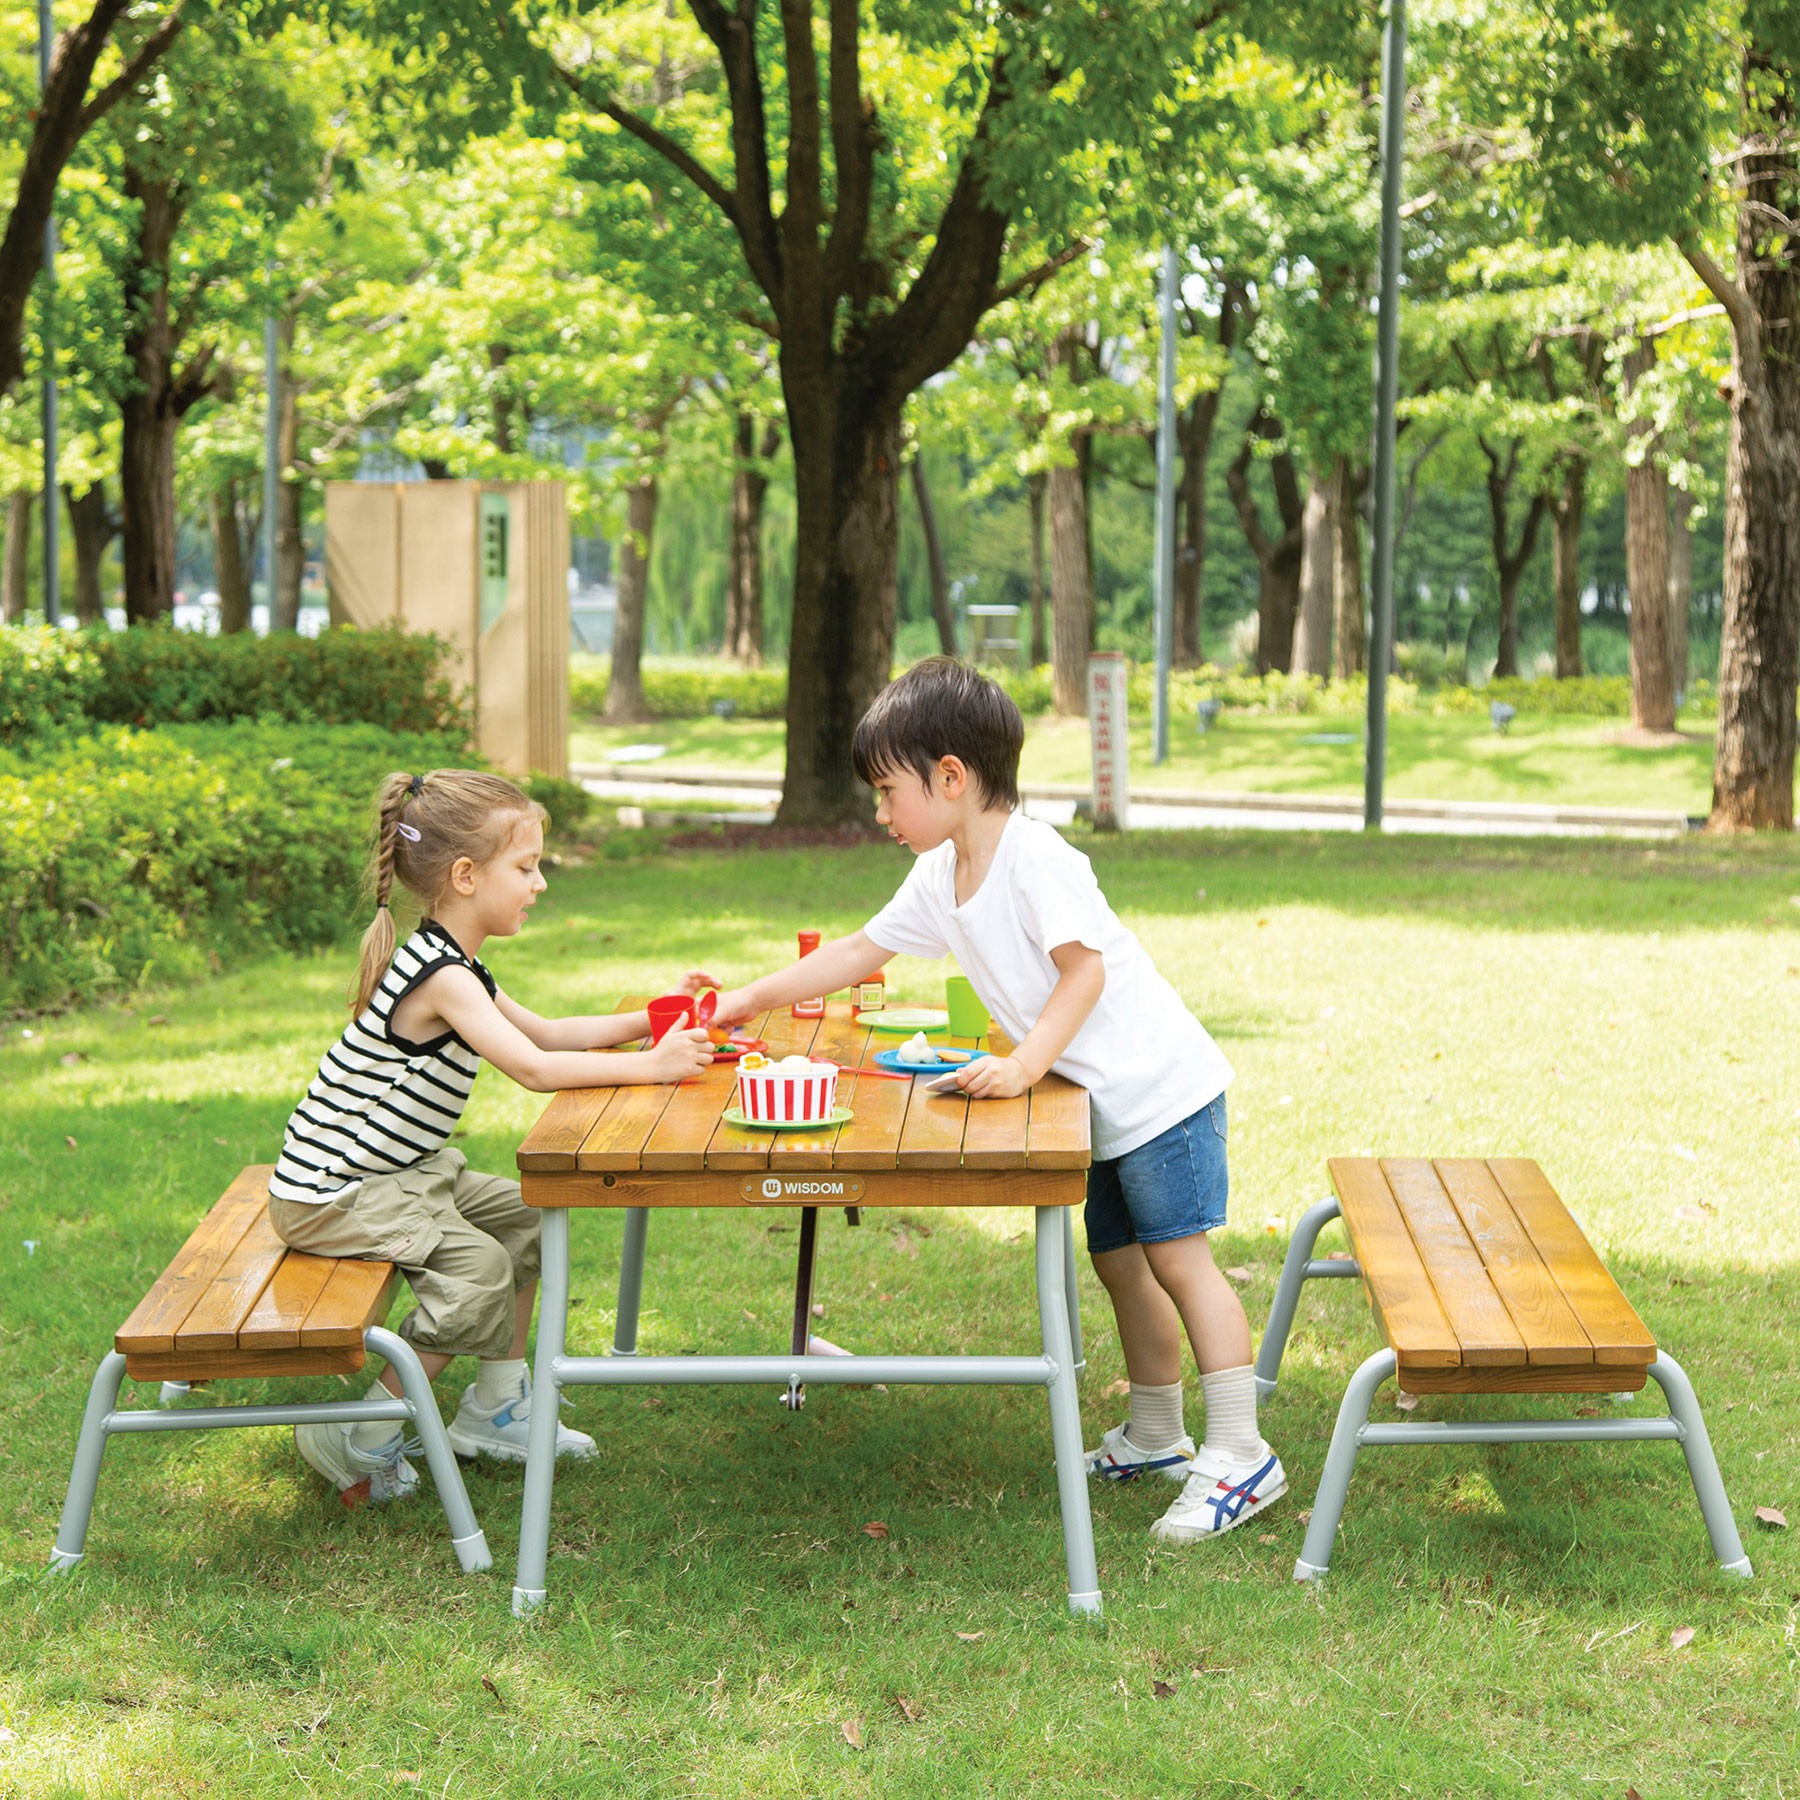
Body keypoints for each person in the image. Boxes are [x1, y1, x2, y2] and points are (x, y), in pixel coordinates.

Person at [712, 658, 1282, 1541]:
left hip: (1161, 1095)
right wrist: (753, 997)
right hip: (1102, 1107)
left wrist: (1022, 1067)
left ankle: (1242, 1452)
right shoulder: (943, 873)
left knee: (1180, 1263)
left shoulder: (1035, 857)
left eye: (887, 791)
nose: (880, 813)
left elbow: (1083, 972)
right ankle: (1160, 1433)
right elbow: (862, 951)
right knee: (1122, 1265)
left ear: (951, 777)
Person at [268, 769, 714, 1508]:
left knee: (531, 1220)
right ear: (466, 876)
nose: (539, 883)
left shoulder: (459, 963)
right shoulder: (440, 977)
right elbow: (534, 1068)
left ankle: (497, 1409)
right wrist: (650, 1069)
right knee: (476, 1267)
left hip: (399, 1174)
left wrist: (653, 1019)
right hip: (335, 1193)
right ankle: (360, 1431)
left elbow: (547, 1032)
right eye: (527, 867)